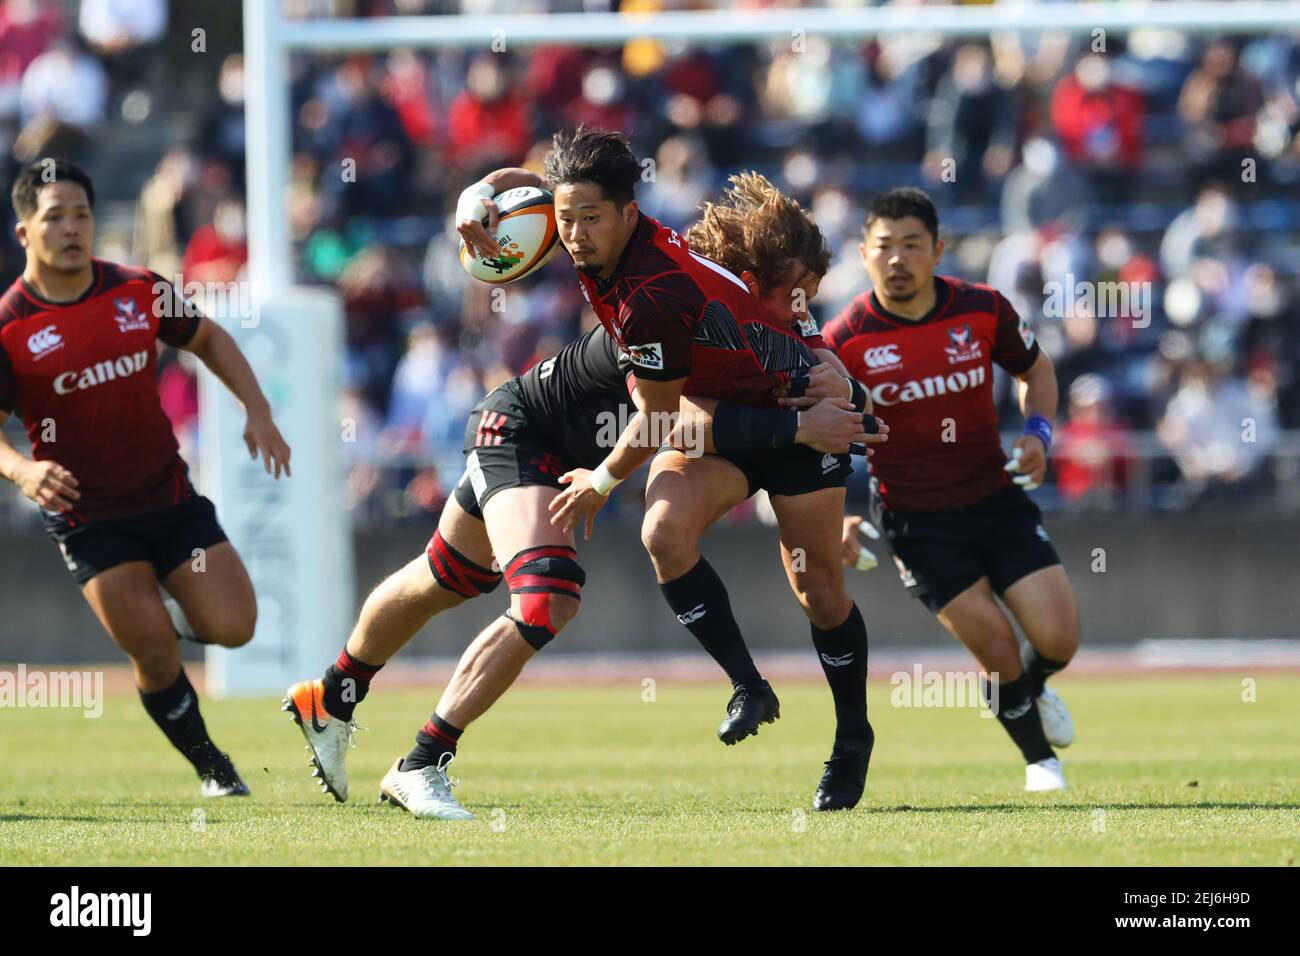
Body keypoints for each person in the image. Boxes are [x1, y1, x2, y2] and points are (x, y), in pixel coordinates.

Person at [0, 159, 291, 795]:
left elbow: (208, 338)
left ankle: (167, 607)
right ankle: (213, 768)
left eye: (82, 214)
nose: (72, 228)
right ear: (24, 232)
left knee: (235, 626)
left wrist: (258, 410)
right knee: (155, 654)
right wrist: (21, 469)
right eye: (55, 217)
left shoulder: (138, 288)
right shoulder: (9, 325)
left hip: (169, 498)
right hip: (88, 518)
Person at [827, 187, 1080, 791]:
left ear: (937, 250)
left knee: (1059, 639)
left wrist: (1039, 434)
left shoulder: (983, 308)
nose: (897, 258)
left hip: (996, 501)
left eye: (911, 245)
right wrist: (834, 513)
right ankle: (1041, 763)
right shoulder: (844, 339)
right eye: (884, 247)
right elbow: (821, 434)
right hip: (917, 523)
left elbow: (1036, 370)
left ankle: (1033, 683)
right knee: (995, 647)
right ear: (864, 255)